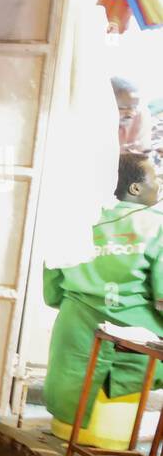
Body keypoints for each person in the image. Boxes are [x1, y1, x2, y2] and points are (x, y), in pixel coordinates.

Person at [44, 154, 163, 432]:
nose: (159, 185)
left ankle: (68, 434)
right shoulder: (157, 226)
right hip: (133, 336)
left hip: (75, 330)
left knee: (72, 387)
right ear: (135, 188)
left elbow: (51, 287)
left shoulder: (73, 219)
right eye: (155, 179)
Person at [112, 76, 154, 156]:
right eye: (123, 108)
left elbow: (142, 151)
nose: (130, 113)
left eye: (134, 107)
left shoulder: (141, 115)